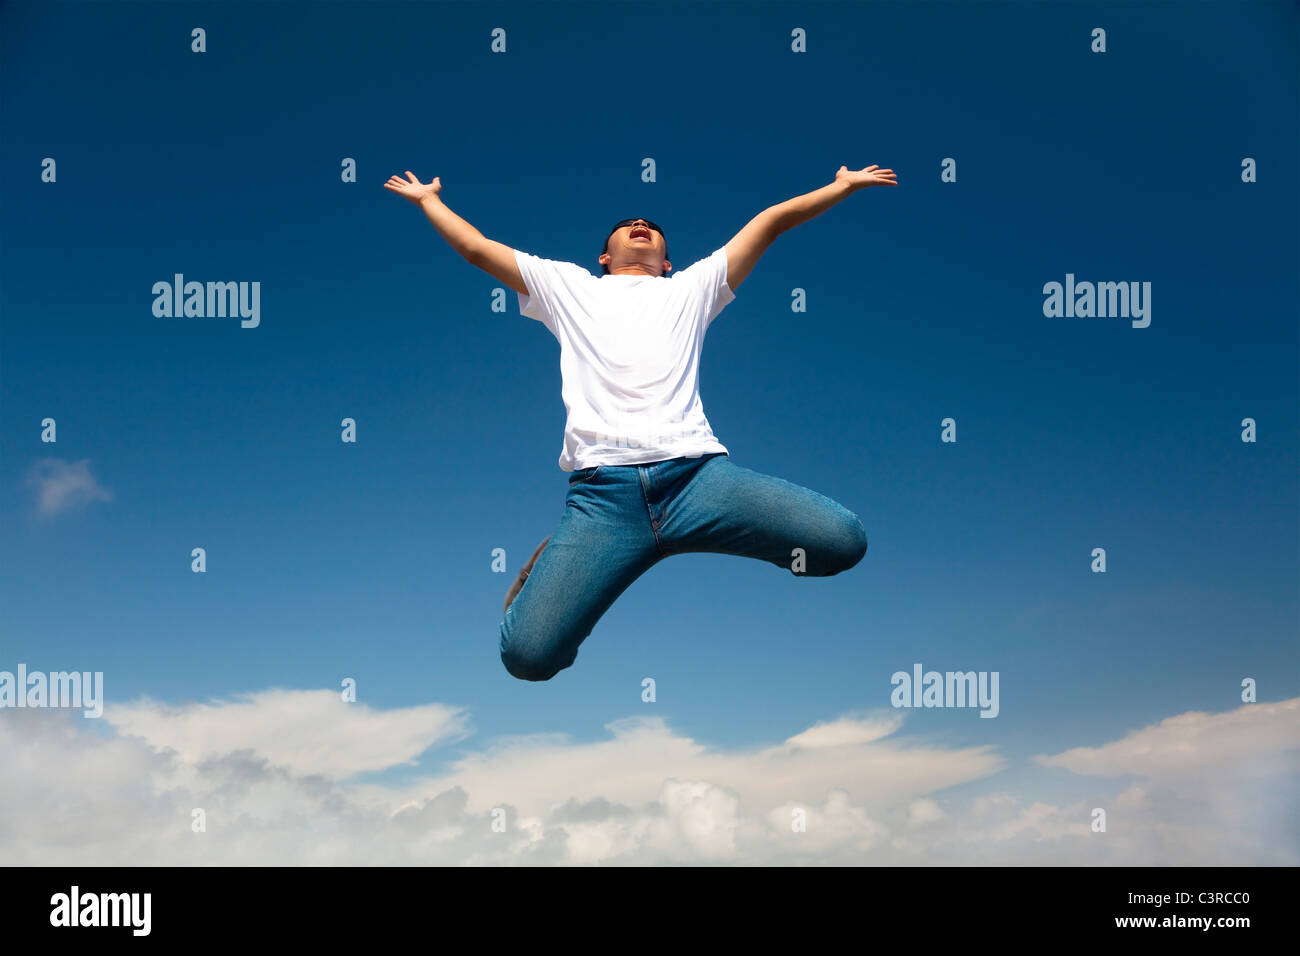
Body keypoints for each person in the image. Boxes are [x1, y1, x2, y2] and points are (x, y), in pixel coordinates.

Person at [384, 164, 898, 681]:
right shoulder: (566, 286)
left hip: (697, 481)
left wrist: (841, 186)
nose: (640, 224)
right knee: (528, 658)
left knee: (842, 542)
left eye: (652, 226)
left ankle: (687, 536)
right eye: (627, 224)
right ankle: (560, 563)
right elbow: (476, 248)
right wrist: (429, 200)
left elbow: (769, 222)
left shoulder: (692, 289)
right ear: (604, 256)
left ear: (668, 262)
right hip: (604, 502)